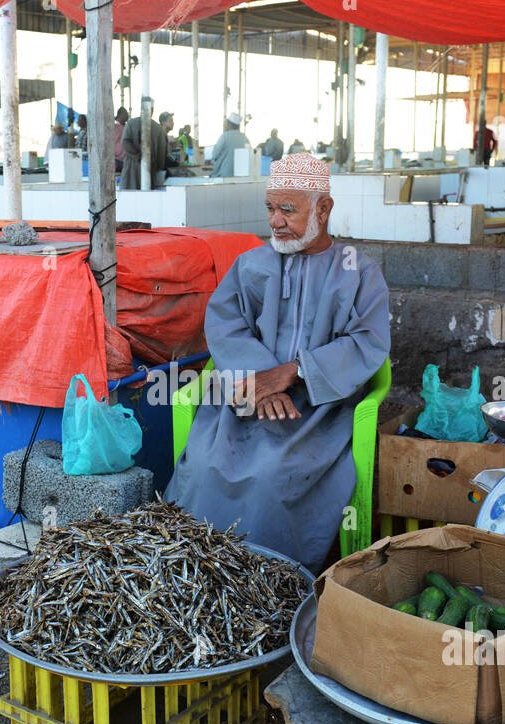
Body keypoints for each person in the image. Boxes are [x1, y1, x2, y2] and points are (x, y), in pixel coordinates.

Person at [164, 154, 390, 569]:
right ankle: (196, 574)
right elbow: (226, 324)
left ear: (323, 208)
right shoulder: (251, 265)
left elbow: (368, 343)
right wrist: (258, 380)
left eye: (288, 209)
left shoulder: (359, 271)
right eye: (270, 208)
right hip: (243, 400)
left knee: (271, 480)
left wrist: (291, 372)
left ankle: (271, 581)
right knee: (207, 465)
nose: (275, 221)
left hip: (318, 410)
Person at [121, 108, 172, 190]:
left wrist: (137, 156)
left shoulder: (131, 123)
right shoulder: (158, 129)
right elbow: (161, 154)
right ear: (152, 111)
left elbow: (125, 143)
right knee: (147, 198)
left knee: (129, 197)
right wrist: (157, 166)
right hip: (150, 169)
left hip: (131, 169)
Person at [210, 112, 251, 177]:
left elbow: (215, 154)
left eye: (226, 124)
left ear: (229, 124)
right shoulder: (245, 138)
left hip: (225, 173)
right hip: (242, 174)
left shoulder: (225, 136)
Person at [113, 106, 129, 170]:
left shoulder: (126, 127)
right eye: (125, 114)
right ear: (120, 115)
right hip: (117, 160)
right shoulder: (115, 127)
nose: (127, 115)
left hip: (124, 160)